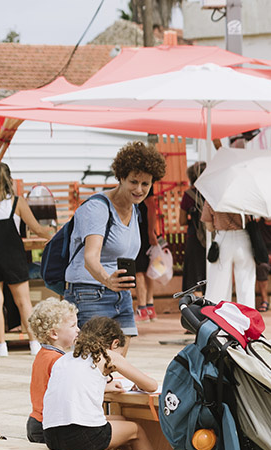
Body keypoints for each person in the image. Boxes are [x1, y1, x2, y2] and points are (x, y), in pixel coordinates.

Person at [42, 316, 188, 450]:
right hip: (80, 436)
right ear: (115, 343)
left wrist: (105, 388)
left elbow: (73, 389)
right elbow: (151, 385)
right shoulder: (106, 354)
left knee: (120, 422)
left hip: (52, 436)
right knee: (136, 430)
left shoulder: (66, 358)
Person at [64, 141, 168, 349]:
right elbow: (90, 258)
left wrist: (118, 286)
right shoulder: (98, 208)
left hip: (121, 295)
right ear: (120, 177)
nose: (139, 189)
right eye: (133, 182)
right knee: (92, 365)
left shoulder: (135, 209)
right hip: (90, 293)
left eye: (145, 184)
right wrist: (107, 280)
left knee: (116, 364)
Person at [24, 298, 80, 450]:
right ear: (54, 334)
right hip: (48, 421)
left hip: (34, 419)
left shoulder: (42, 355)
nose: (78, 329)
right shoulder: (59, 360)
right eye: (73, 325)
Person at [0, 161, 54, 357]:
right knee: (24, 302)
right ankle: (34, 343)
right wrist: (54, 237)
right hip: (14, 257)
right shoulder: (17, 202)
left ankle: (1, 346)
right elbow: (36, 228)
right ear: (9, 180)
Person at [202, 198, 255, 310]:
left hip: (223, 239)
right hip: (243, 238)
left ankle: (218, 321)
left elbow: (209, 227)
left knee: (218, 284)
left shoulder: (213, 196)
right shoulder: (243, 195)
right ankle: (248, 320)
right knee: (246, 283)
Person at [133, 186, 160, 322]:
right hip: (143, 232)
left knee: (139, 271)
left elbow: (151, 208)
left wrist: (151, 232)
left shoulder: (141, 187)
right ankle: (150, 308)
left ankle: (142, 308)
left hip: (141, 233)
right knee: (147, 270)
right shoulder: (144, 184)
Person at [180, 162, 207, 292]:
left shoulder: (189, 195)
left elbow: (182, 220)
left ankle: (193, 302)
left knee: (193, 271)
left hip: (194, 236)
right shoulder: (212, 192)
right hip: (213, 238)